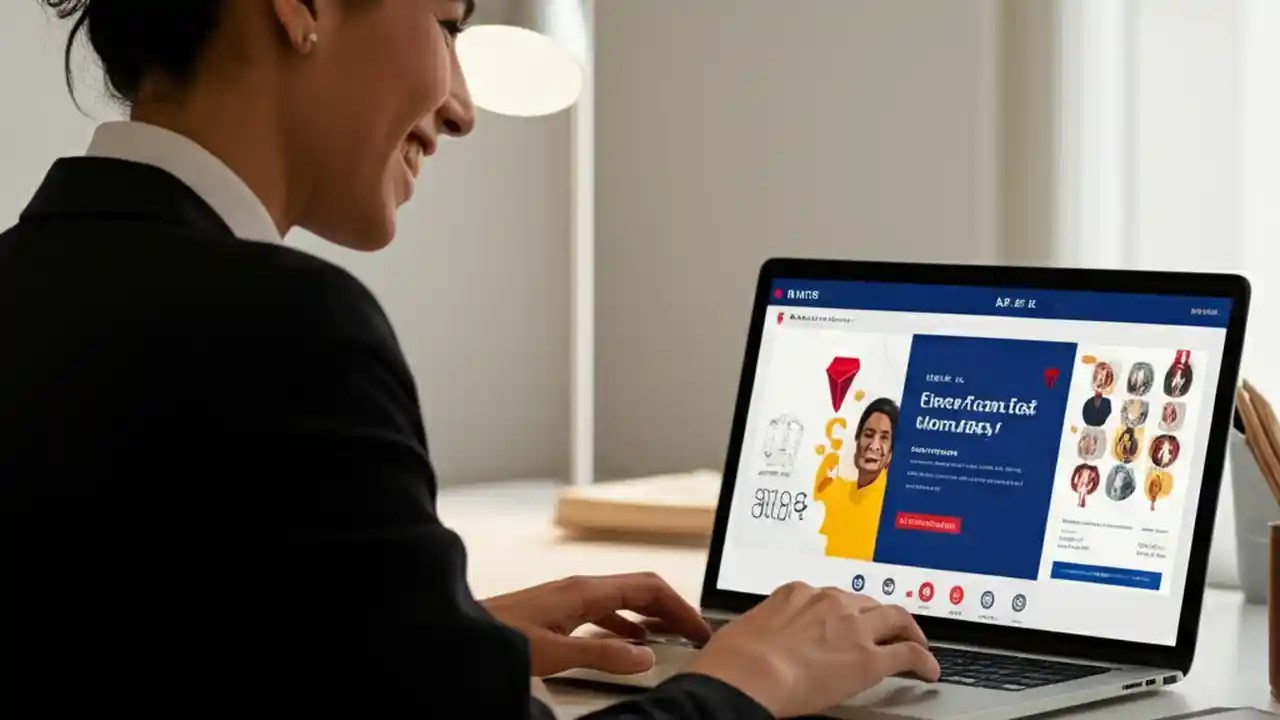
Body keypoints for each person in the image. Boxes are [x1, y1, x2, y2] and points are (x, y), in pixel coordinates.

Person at [0, 1, 939, 717]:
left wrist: (437, 637)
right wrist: (750, 678)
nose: (460, 109)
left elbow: (153, 644)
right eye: (446, 26)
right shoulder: (286, 328)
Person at [814, 398, 899, 561]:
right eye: (868, 435)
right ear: (857, 439)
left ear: (891, 453)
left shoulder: (890, 508)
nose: (874, 446)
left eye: (884, 438)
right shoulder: (832, 491)